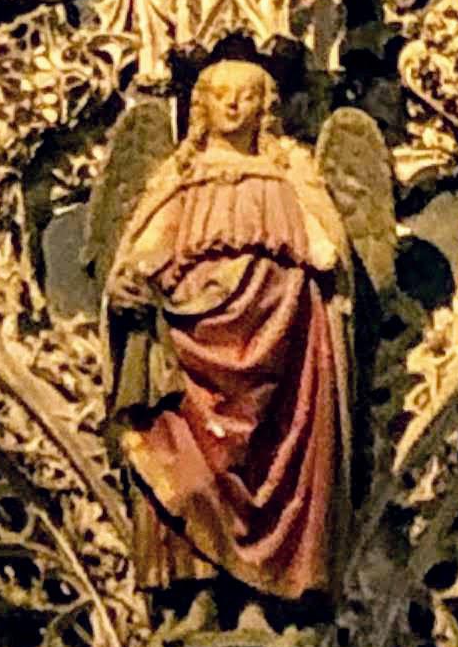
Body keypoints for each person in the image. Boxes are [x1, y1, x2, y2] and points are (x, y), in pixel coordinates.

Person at [103, 59, 356, 607]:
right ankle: (197, 590)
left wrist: (313, 256)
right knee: (190, 468)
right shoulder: (181, 178)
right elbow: (144, 252)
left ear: (265, 107)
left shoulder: (289, 175)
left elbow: (326, 251)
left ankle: (274, 596)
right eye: (221, 95)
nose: (234, 105)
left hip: (280, 345)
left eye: (245, 95)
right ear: (202, 106)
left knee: (276, 462)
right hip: (191, 346)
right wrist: (129, 286)